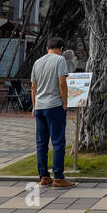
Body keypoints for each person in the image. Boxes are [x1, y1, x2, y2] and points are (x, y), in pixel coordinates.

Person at [31, 37, 75, 188]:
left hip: (39, 106)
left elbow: (33, 87)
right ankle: (58, 177)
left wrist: (34, 105)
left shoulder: (37, 62)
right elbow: (62, 82)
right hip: (54, 105)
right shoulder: (60, 60)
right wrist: (65, 101)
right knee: (58, 142)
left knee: (41, 143)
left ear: (47, 48)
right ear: (61, 48)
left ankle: (44, 176)